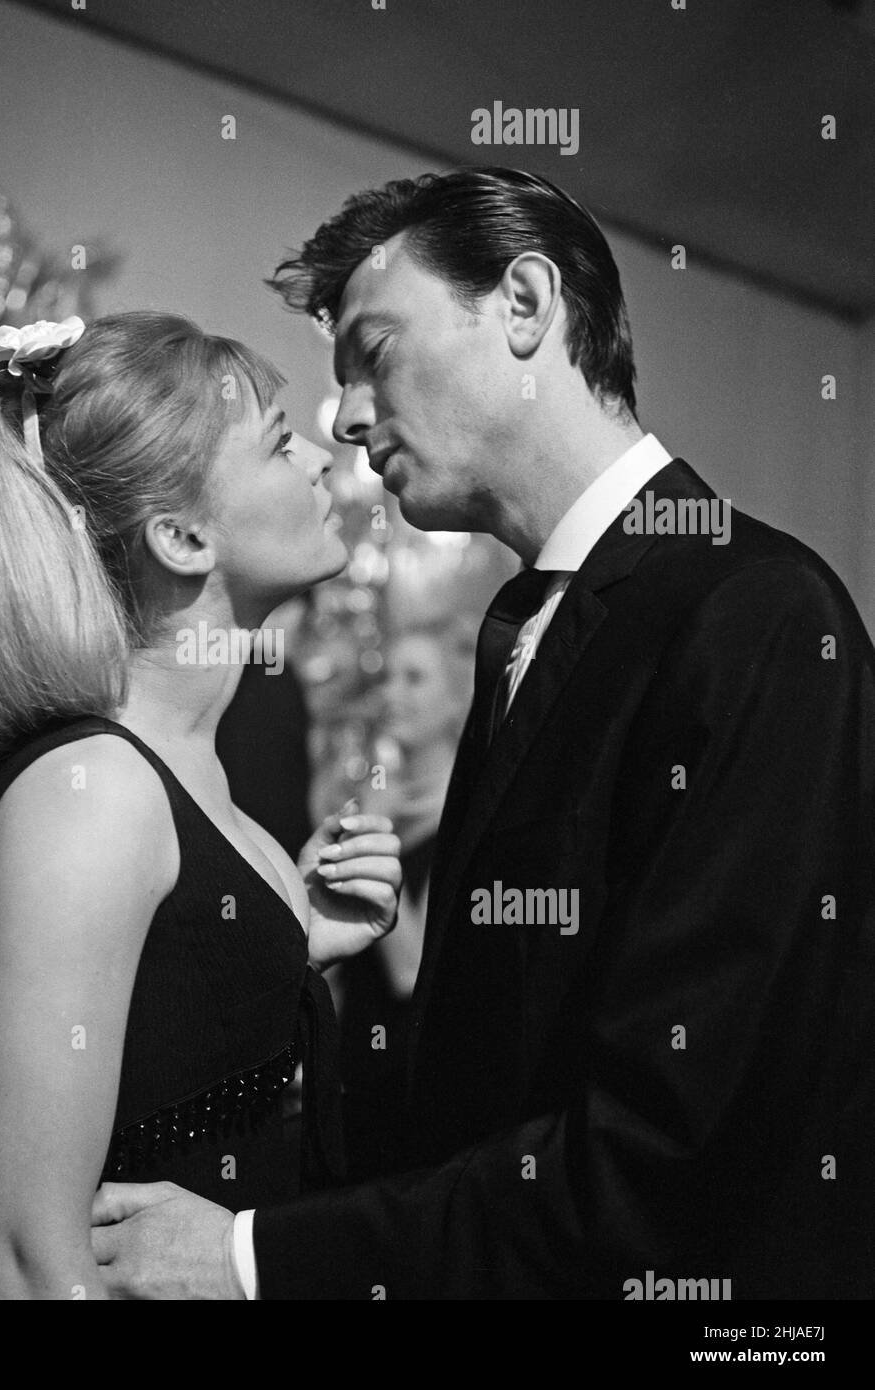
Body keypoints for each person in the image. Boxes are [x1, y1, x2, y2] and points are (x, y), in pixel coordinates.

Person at [89, 168, 875, 1299]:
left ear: (524, 304)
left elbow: (671, 1147)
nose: (349, 418)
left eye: (373, 351)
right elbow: (483, 1099)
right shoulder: (524, 629)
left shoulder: (755, 612)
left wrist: (249, 1258)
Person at [0, 311, 402, 1300]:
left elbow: (180, 1062)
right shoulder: (93, 792)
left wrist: (291, 937)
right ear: (184, 536)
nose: (327, 458)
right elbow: (22, 1259)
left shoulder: (195, 777)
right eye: (282, 443)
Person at [336, 618, 474, 1180]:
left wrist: (380, 827)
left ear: (454, 699)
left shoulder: (466, 817)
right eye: (388, 676)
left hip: (417, 1078)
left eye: (415, 678)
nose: (392, 693)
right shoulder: (373, 800)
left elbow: (409, 972)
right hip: (353, 1068)